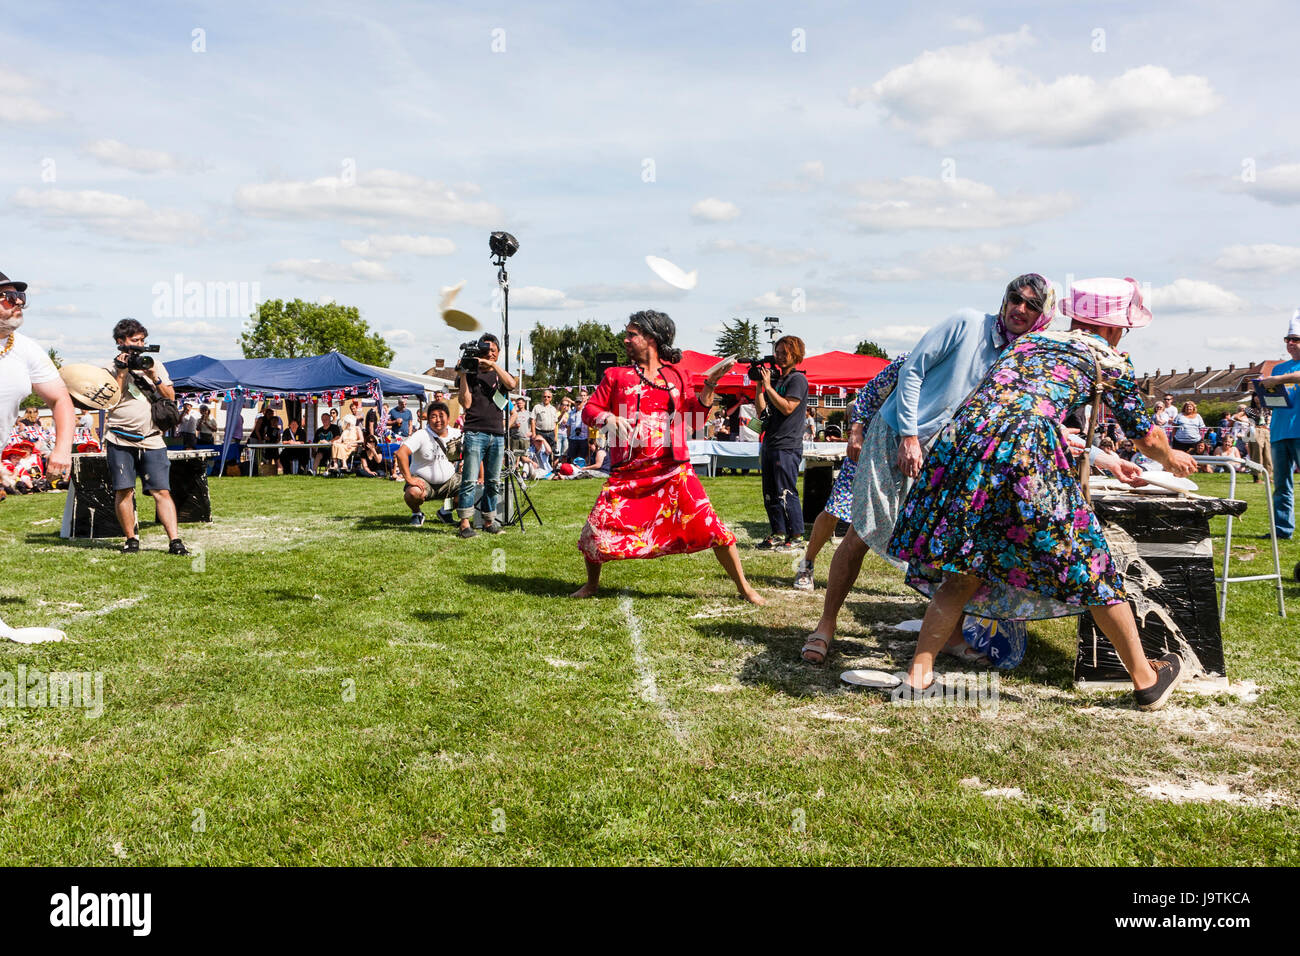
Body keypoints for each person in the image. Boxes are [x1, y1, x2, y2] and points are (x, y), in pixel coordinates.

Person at [886, 277, 1196, 710]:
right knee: (1089, 564)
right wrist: (1170, 460)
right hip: (1025, 449)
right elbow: (1145, 436)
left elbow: (1012, 403)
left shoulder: (1029, 344)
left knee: (967, 561)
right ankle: (1146, 679)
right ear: (1110, 327)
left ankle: (919, 676)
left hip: (964, 442)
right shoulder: (1108, 360)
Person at [801, 274, 1056, 664]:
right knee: (861, 533)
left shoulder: (1020, 356)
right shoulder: (967, 322)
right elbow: (912, 371)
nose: (1020, 309)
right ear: (1003, 299)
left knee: (947, 546)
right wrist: (907, 436)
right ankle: (825, 626)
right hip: (894, 436)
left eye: (1032, 305)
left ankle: (950, 636)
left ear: (1043, 315)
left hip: (946, 454)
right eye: (1015, 299)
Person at [572, 310, 763, 603]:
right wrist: (608, 418)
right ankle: (591, 585)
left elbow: (696, 419)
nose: (625, 339)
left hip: (673, 468)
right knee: (597, 527)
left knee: (712, 526)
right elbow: (589, 411)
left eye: (632, 334)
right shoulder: (616, 375)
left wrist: (710, 385)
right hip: (628, 470)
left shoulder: (678, 376)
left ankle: (744, 587)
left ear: (651, 338)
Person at [794, 353, 908, 592]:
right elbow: (868, 393)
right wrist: (855, 432)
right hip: (872, 446)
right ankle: (807, 564)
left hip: (912, 453)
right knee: (837, 507)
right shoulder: (911, 359)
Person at [103, 318, 188, 554]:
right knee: (124, 490)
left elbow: (170, 396)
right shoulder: (109, 368)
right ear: (121, 342)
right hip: (120, 437)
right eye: (135, 340)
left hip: (152, 437)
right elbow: (111, 401)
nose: (140, 344)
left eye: (143, 340)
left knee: (161, 490)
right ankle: (131, 539)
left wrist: (153, 375)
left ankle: (175, 541)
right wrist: (121, 373)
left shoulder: (154, 363)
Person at [0, 271, 73, 490]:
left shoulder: (25, 348)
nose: (19, 301)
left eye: (20, 295)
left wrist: (61, 449)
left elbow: (60, 399)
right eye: (9, 296)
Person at [455, 333, 516, 537]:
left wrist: (492, 365)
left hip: (497, 434)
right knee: (470, 480)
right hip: (474, 432)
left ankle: (489, 521)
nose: (489, 353)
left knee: (492, 481)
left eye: (493, 350)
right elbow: (466, 403)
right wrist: (463, 373)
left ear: (498, 354)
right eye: (486, 350)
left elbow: (512, 384)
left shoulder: (499, 374)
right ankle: (465, 523)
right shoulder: (471, 374)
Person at [755, 335, 810, 552]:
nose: (779, 357)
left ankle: (796, 536)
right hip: (770, 442)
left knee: (786, 490)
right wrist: (760, 387)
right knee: (769, 491)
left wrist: (769, 388)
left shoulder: (797, 380)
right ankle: (778, 532)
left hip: (788, 445)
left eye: (783, 353)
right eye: (777, 352)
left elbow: (788, 407)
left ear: (795, 354)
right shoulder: (776, 380)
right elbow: (761, 412)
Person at [1256, 309, 1300, 538]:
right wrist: (1263, 392)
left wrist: (1279, 380)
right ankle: (1282, 530)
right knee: (1281, 485)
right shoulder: (1279, 368)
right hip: (1280, 431)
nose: (1290, 343)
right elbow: (1274, 400)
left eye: (1295, 339)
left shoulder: (1281, 373)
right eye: (1288, 339)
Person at [396, 401, 461, 526]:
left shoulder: (456, 434)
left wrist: (480, 477)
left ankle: (445, 512)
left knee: (470, 489)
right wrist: (409, 478)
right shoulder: (421, 435)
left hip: (449, 481)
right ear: (428, 420)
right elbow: (401, 453)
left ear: (448, 419)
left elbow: (473, 451)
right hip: (424, 481)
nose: (438, 420)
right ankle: (417, 513)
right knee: (412, 493)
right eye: (433, 416)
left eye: (441, 416)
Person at [1244, 392, 1272, 483]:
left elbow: (1268, 418)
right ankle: (1256, 478)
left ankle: (1269, 477)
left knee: (1268, 455)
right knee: (1257, 454)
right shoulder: (1249, 409)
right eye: (1255, 396)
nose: (1257, 398)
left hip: (1266, 431)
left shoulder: (1267, 409)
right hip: (1255, 430)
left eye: (1259, 396)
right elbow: (1236, 416)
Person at [530, 388, 560, 454]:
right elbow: (532, 421)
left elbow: (555, 423)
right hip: (540, 433)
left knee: (550, 452)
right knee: (539, 452)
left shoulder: (553, 409)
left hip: (551, 434)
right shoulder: (537, 407)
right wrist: (534, 434)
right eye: (545, 396)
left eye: (548, 397)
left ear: (551, 398)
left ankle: (549, 464)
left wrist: (555, 436)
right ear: (542, 397)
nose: (546, 398)